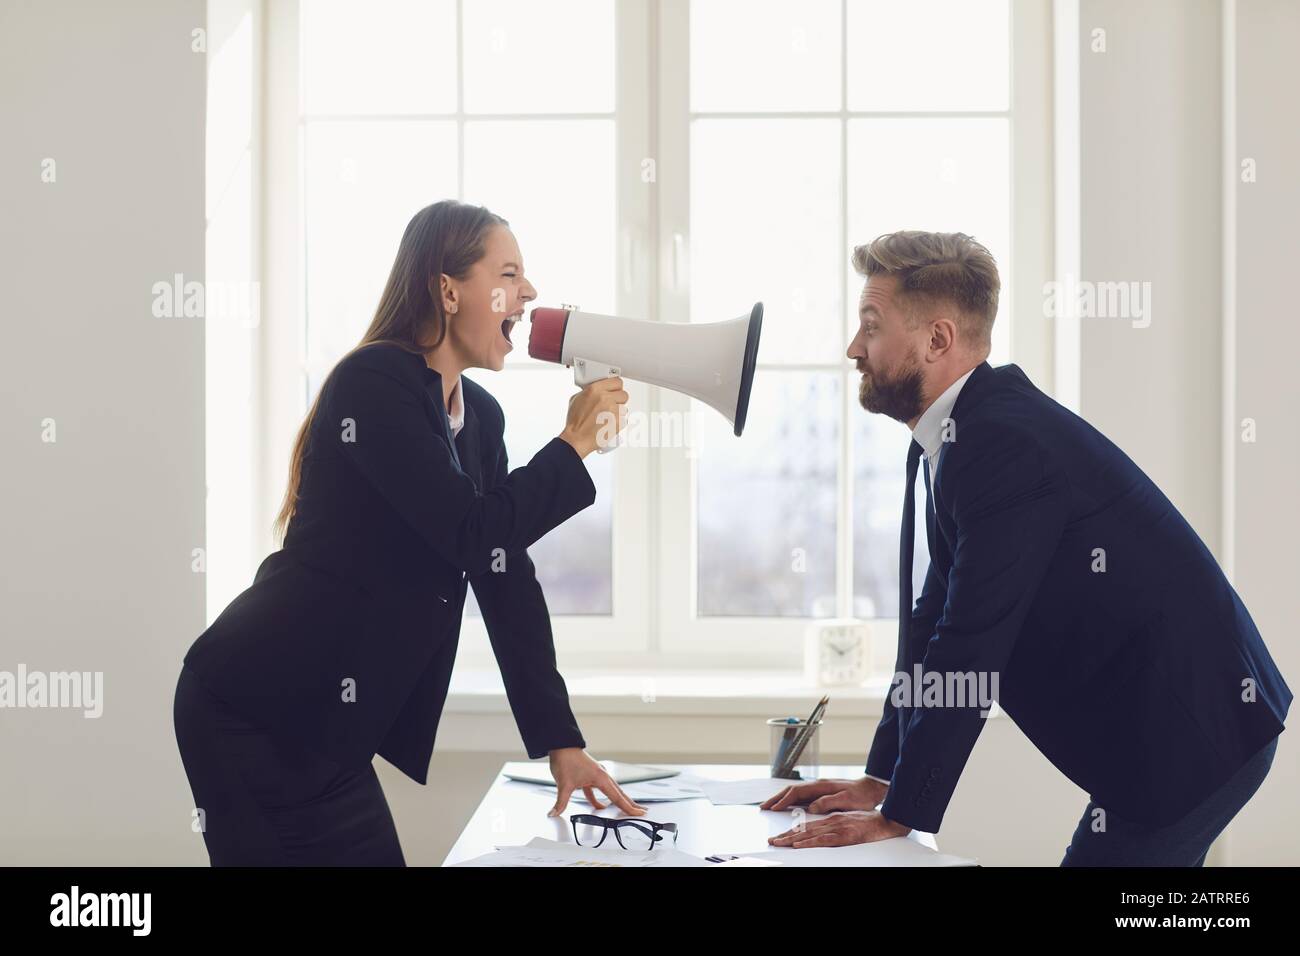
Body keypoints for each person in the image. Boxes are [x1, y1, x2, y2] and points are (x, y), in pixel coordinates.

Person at [763, 230, 1292, 865]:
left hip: (1196, 728)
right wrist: (884, 780)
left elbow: (968, 647)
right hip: (1174, 724)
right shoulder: (971, 430)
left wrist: (901, 813)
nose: (854, 348)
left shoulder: (998, 446)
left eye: (871, 327)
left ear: (938, 340)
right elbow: (933, 624)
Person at [174, 199, 647, 866]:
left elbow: (502, 571)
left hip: (328, 731)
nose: (530, 293)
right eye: (509, 274)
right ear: (449, 291)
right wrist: (573, 444)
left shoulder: (478, 418)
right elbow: (468, 532)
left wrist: (560, 741)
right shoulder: (374, 384)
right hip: (255, 707)